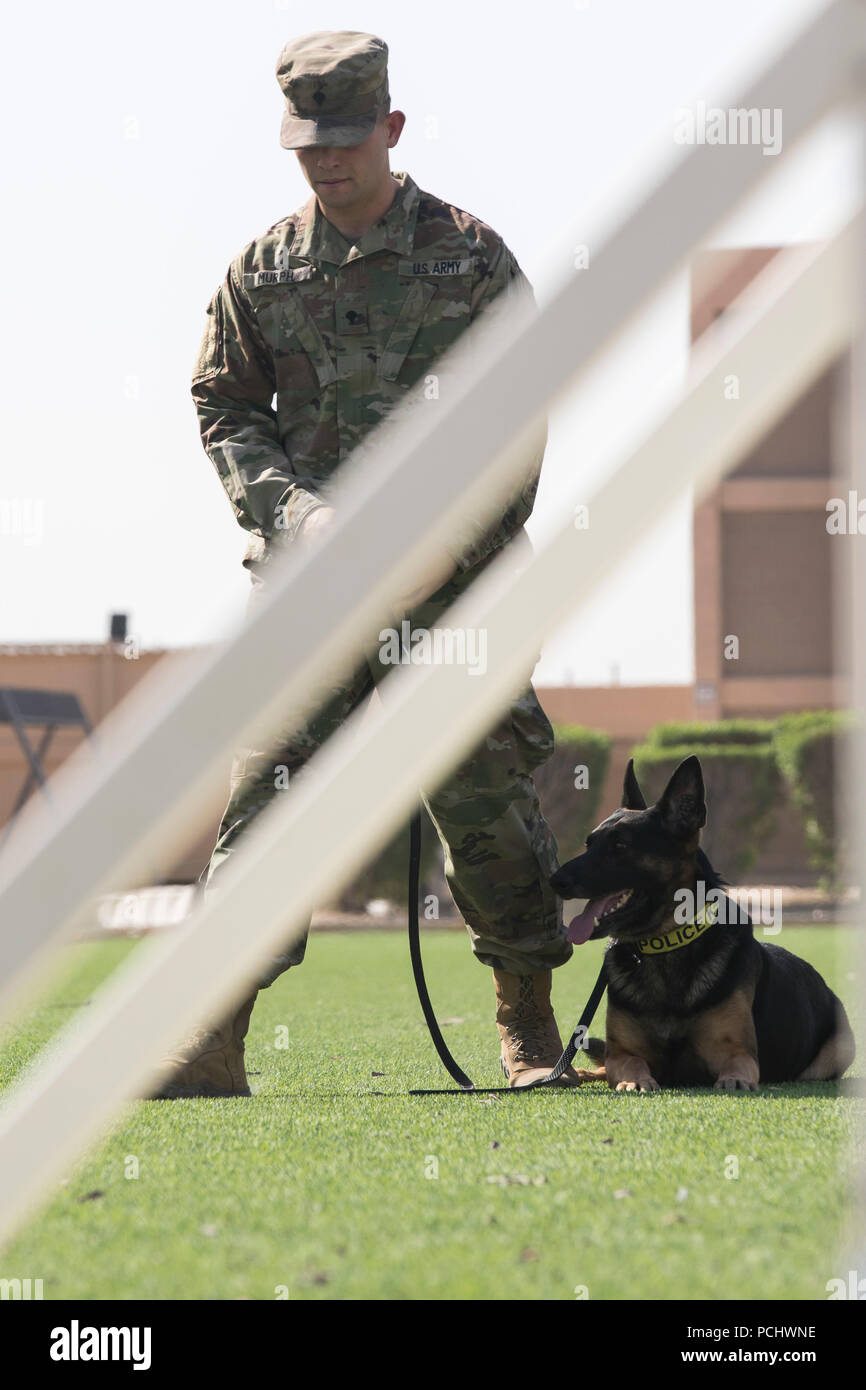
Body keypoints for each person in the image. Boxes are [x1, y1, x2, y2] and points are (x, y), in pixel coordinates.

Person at [155, 29, 583, 1098]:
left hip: (456, 593)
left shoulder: (470, 259)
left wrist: (445, 544)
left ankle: (526, 1024)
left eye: (348, 141)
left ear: (390, 129)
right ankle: (211, 1039)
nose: (328, 161)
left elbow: (517, 413)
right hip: (312, 597)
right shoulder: (261, 272)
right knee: (269, 800)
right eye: (310, 146)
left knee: (484, 801)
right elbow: (222, 407)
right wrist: (295, 517)